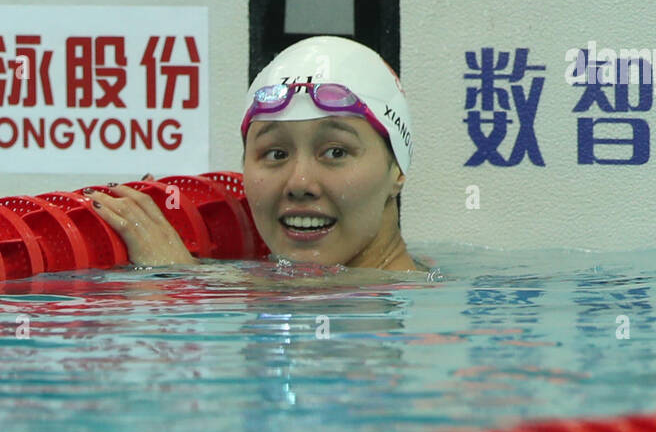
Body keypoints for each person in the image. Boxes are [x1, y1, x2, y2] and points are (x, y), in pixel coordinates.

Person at [90, 36, 427, 274]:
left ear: (397, 168)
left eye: (335, 152)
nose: (300, 183)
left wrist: (175, 285)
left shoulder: (422, 323)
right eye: (276, 153)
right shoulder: (271, 287)